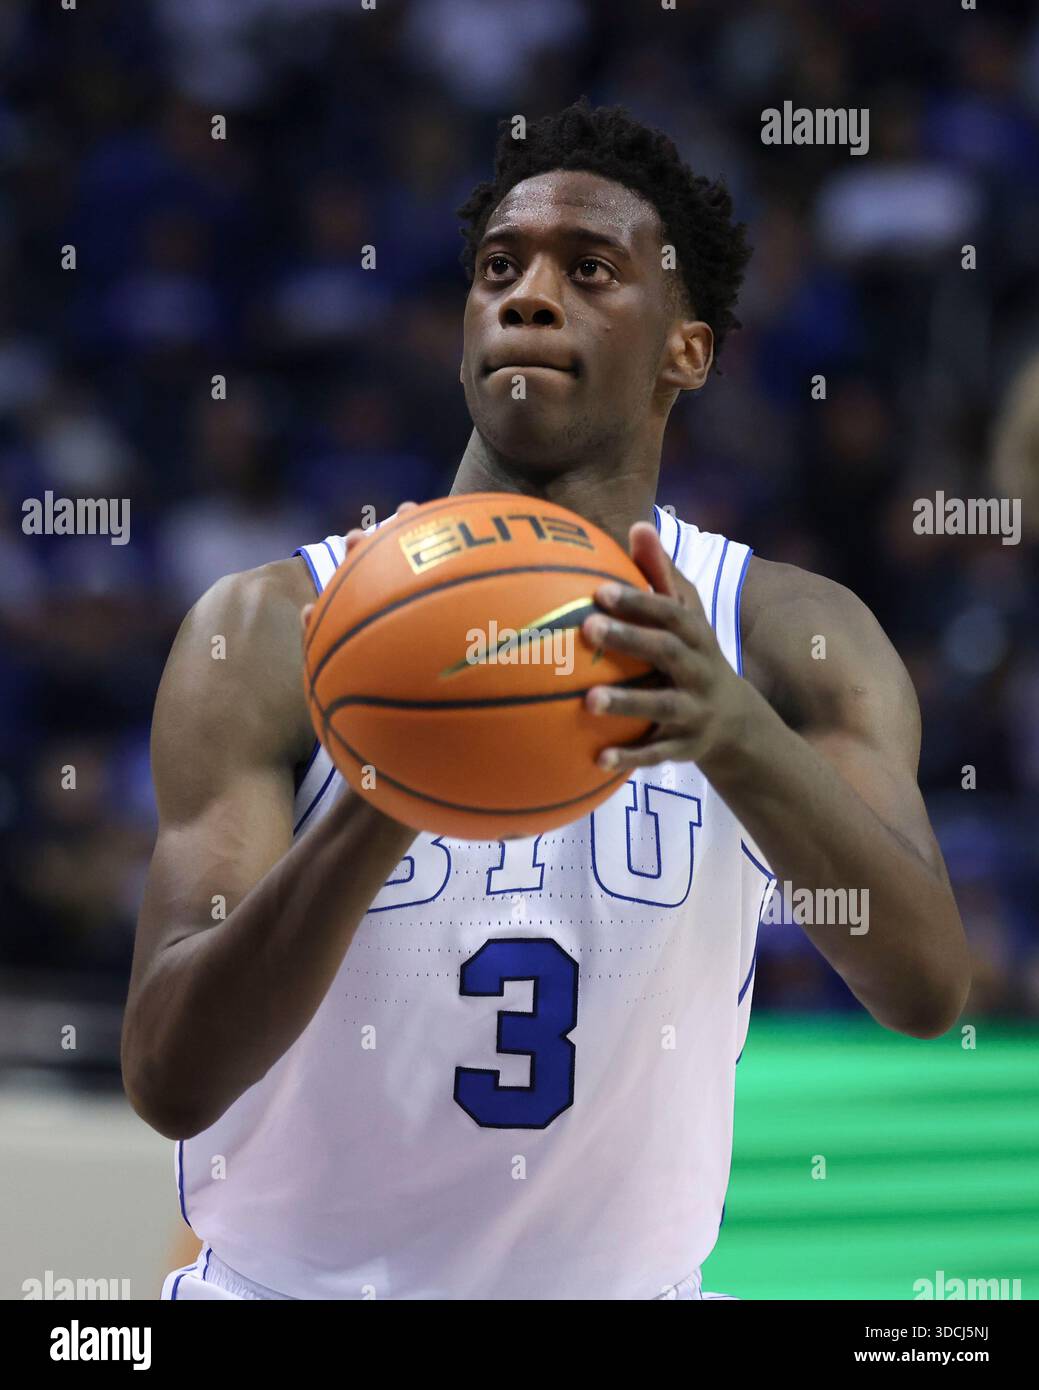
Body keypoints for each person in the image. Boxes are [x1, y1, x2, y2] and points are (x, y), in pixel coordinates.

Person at [125, 99, 970, 1301]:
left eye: (590, 270)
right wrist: (387, 787)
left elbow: (927, 986)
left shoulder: (783, 635)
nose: (527, 295)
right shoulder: (266, 629)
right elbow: (169, 1072)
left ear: (689, 346)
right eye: (498, 268)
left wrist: (733, 731)